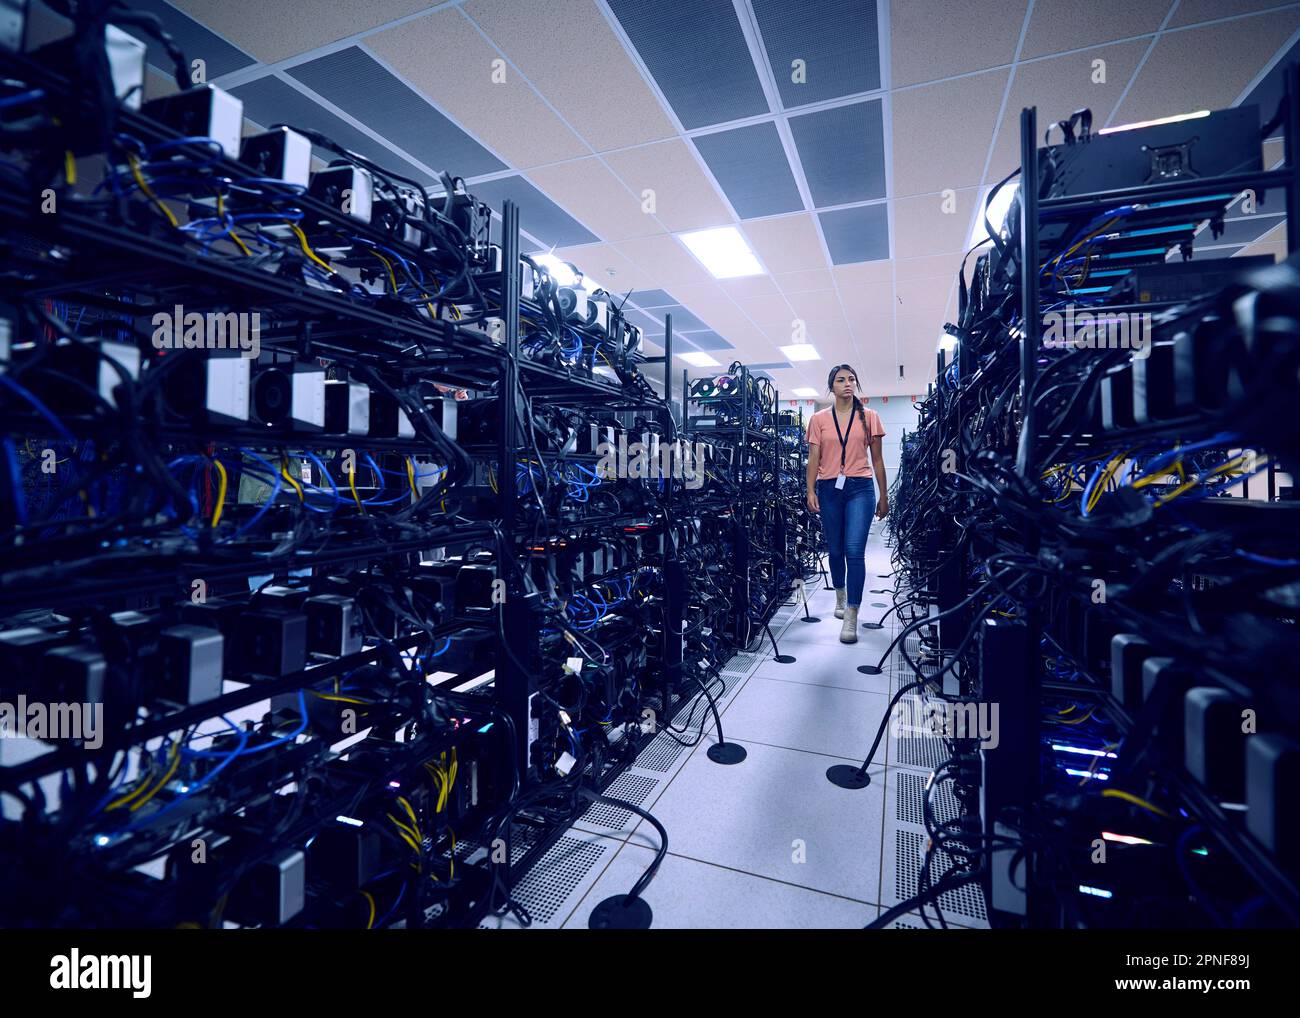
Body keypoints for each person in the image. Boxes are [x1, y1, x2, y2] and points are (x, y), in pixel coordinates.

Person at [804, 364, 888, 643]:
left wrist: (884, 495)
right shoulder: (818, 420)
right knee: (836, 549)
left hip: (860, 488)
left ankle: (852, 613)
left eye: (852, 379)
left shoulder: (870, 417)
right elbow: (813, 457)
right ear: (832, 387)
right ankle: (840, 594)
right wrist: (810, 489)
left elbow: (877, 460)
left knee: (854, 551)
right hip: (829, 488)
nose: (847, 384)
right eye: (841, 380)